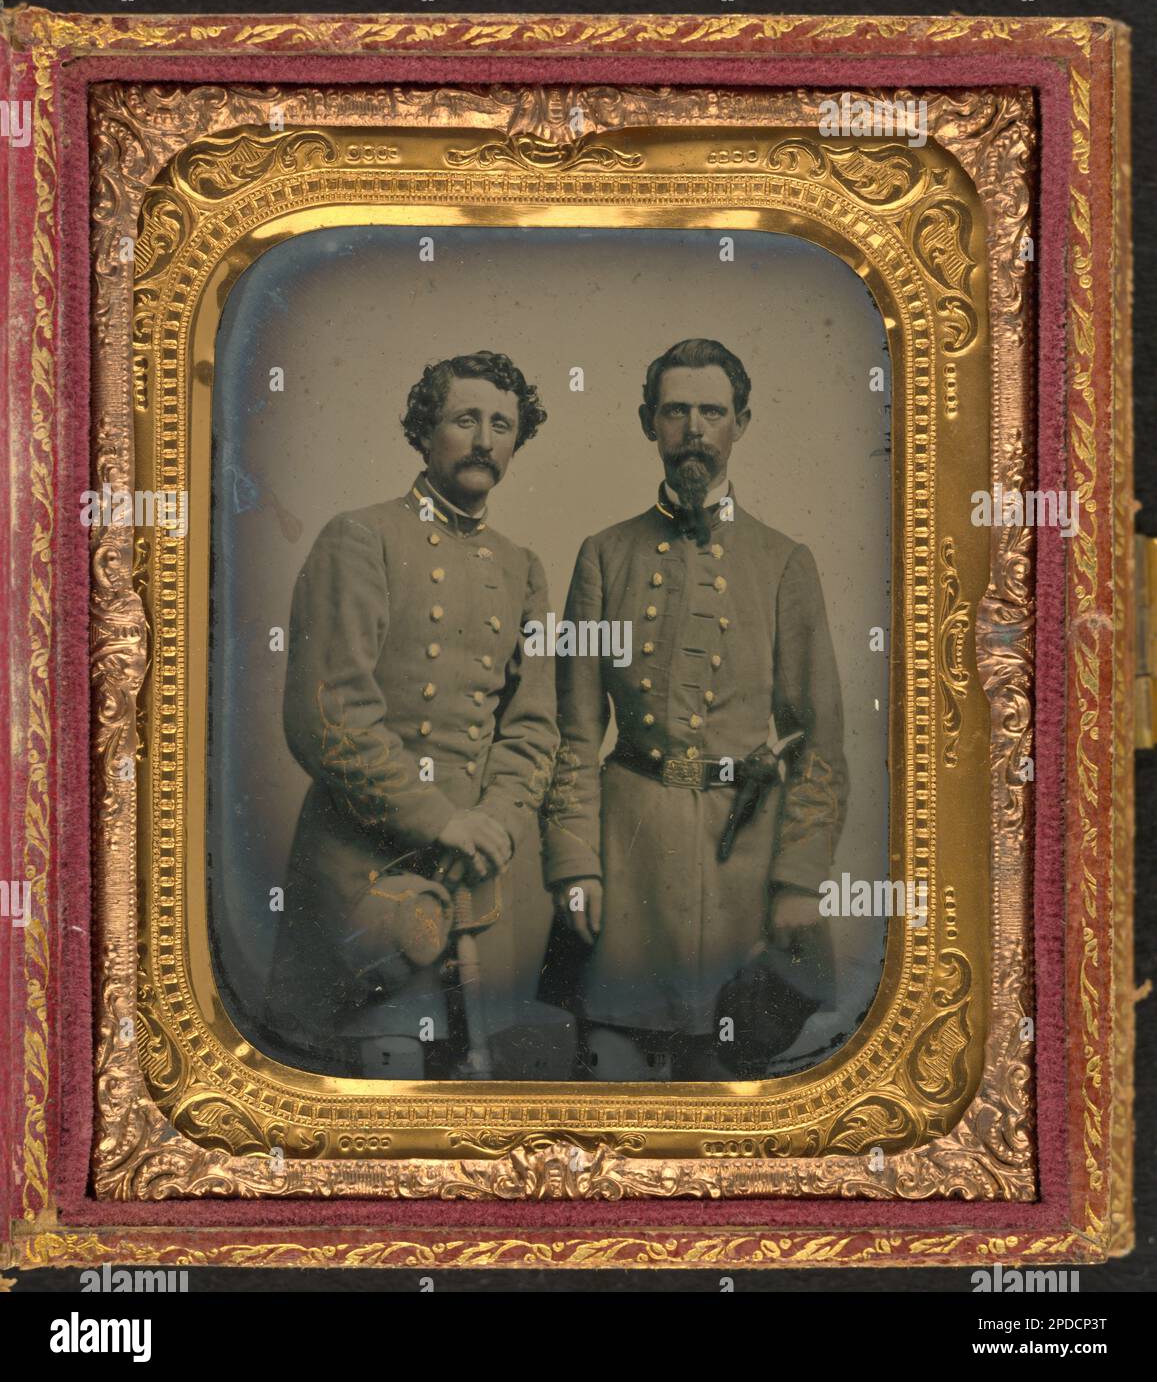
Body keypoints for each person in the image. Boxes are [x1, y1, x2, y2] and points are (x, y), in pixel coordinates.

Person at [540, 338, 849, 1080]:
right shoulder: (603, 556)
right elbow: (575, 735)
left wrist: (797, 882)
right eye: (675, 411)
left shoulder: (782, 562)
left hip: (741, 859)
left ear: (740, 422)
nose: (693, 429)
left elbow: (818, 744)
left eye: (711, 411)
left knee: (729, 1096)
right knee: (613, 1085)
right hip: (627, 851)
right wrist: (573, 864)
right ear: (648, 422)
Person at [265, 351, 559, 1078]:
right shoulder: (358, 538)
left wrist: (495, 824)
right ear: (425, 432)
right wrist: (439, 820)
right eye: (465, 420)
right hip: (365, 884)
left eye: (502, 425)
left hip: (477, 890)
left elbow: (533, 725)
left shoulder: (522, 568)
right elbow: (327, 715)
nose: (484, 439)